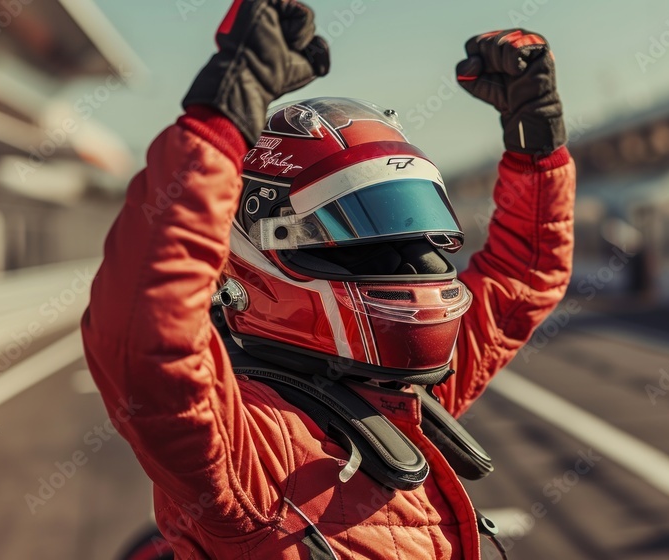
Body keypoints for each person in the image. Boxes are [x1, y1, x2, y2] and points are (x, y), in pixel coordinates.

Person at [83, 1, 575, 558]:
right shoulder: (255, 448)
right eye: (366, 235)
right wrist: (219, 119)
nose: (412, 261)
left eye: (413, 234)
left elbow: (523, 278)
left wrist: (538, 147)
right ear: (259, 252)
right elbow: (145, 337)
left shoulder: (399, 397)